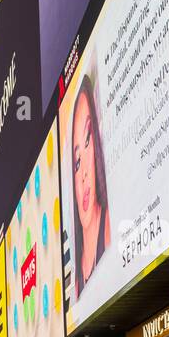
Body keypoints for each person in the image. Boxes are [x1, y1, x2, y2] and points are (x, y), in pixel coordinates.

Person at [69, 74, 111, 294]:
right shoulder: (74, 282)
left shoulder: (111, 230)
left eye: (87, 141)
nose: (83, 172)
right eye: (76, 163)